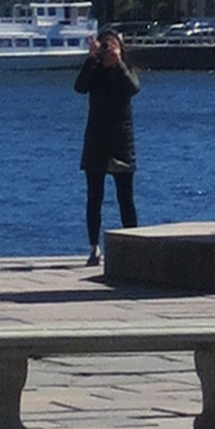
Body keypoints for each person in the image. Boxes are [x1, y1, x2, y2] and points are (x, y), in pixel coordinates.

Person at [75, 28, 141, 262]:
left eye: (112, 45)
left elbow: (133, 88)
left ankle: (133, 245)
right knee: (95, 197)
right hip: (96, 140)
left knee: (126, 198)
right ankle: (94, 247)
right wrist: (92, 59)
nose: (108, 50)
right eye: (105, 46)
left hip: (122, 141)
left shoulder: (127, 69)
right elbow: (80, 87)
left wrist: (119, 63)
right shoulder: (95, 70)